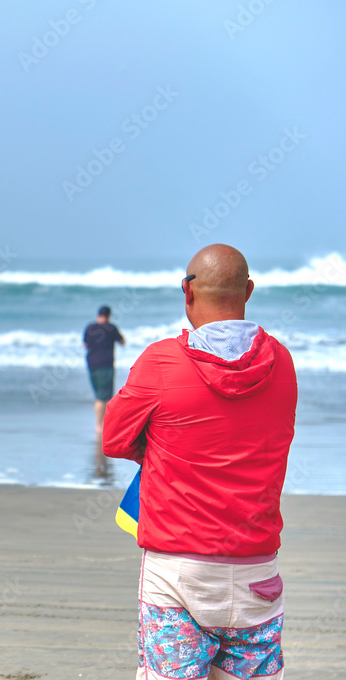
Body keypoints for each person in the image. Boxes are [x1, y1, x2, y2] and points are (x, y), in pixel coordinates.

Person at [103, 244, 297, 680]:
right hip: (257, 571)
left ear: (186, 293)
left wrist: (164, 449)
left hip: (177, 573)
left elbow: (114, 439)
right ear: (247, 290)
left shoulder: (161, 362)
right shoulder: (281, 363)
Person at [83, 305, 125, 433]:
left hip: (91, 365)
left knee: (99, 395)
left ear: (97, 315)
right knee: (103, 397)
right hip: (105, 365)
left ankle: (101, 425)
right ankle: (100, 426)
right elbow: (122, 342)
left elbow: (85, 344)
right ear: (109, 316)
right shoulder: (111, 328)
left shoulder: (89, 328)